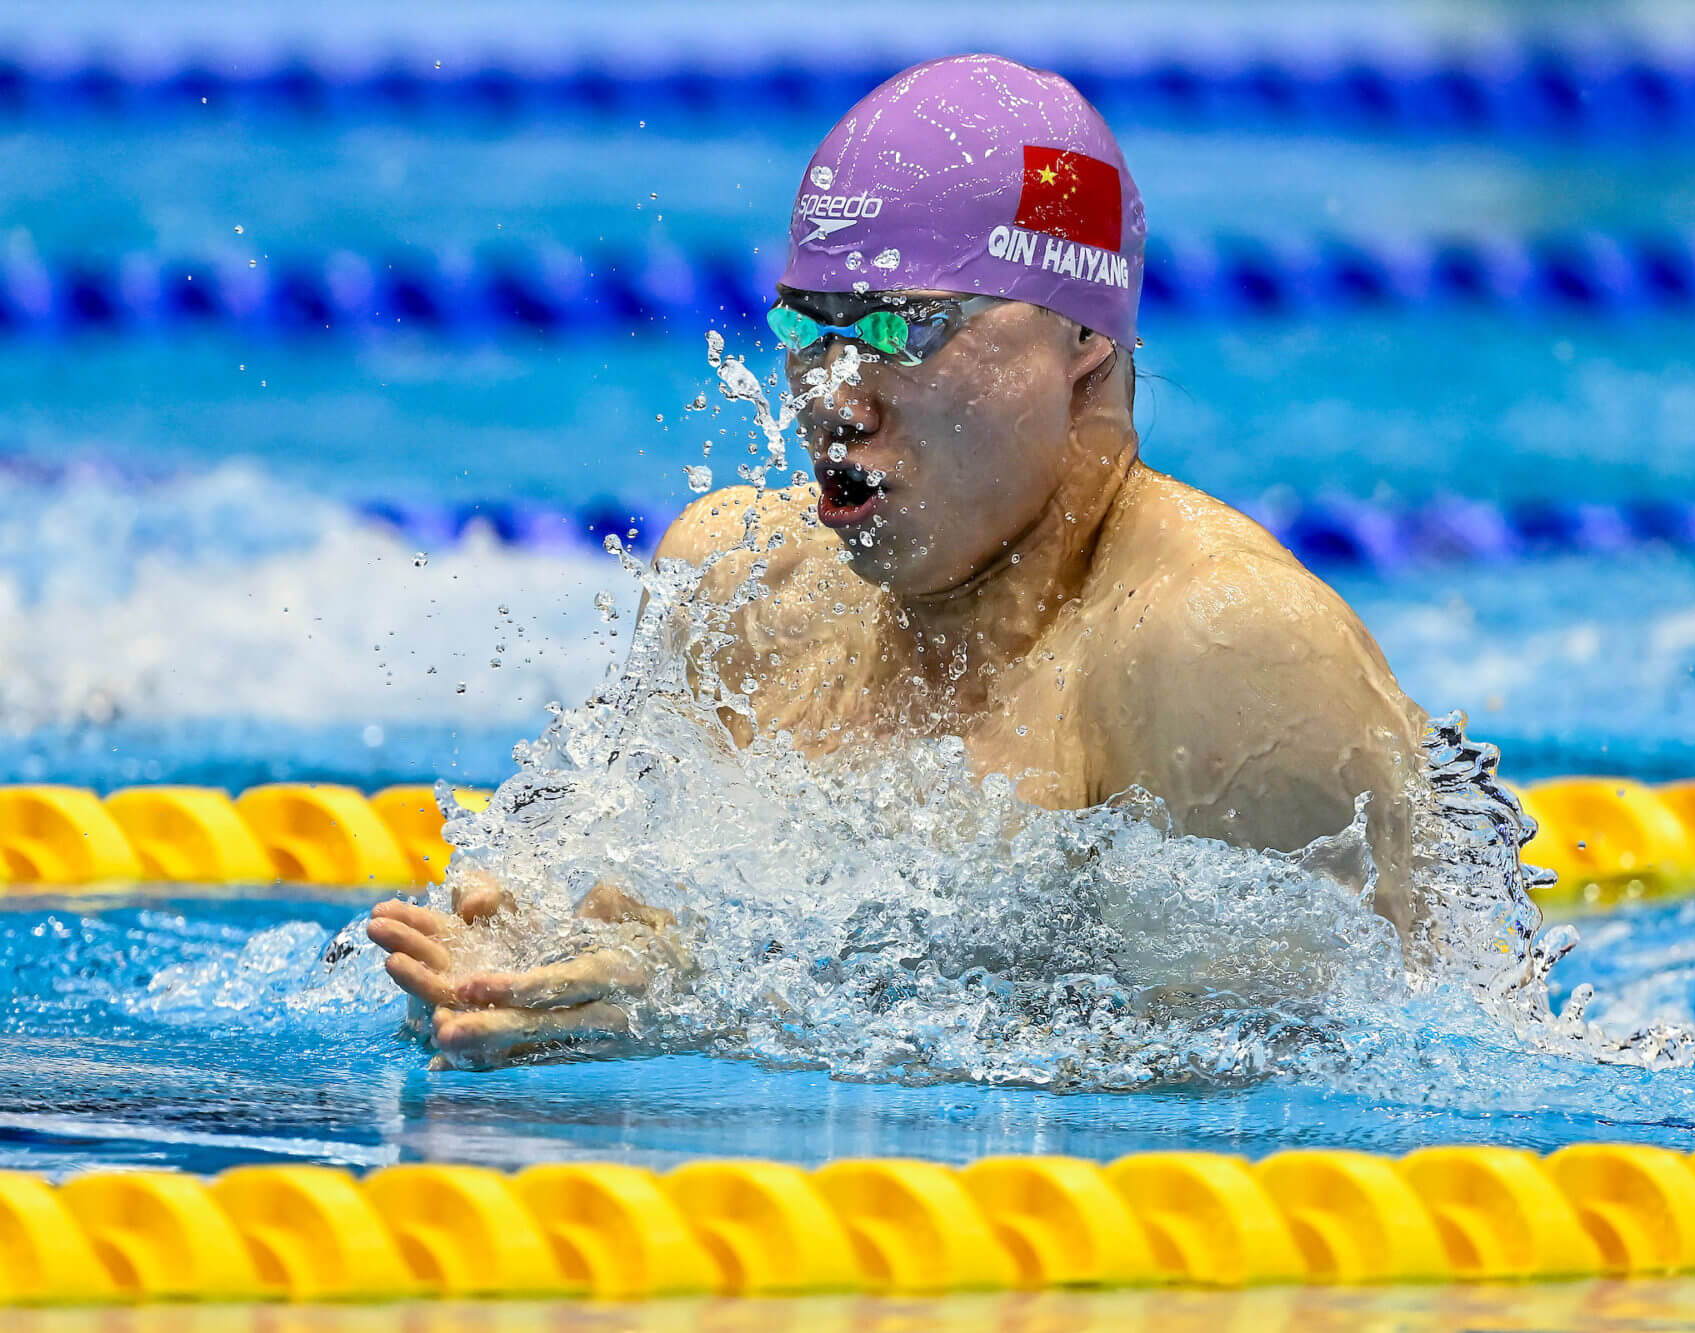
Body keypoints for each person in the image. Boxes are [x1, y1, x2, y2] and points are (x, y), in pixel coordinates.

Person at [368, 54, 1429, 1069]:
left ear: (1080, 341)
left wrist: (712, 1009)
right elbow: (613, 926)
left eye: (903, 330)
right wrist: (507, 974)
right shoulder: (748, 582)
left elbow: (1290, 1102)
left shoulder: (1218, 648)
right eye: (810, 325)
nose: (833, 395)